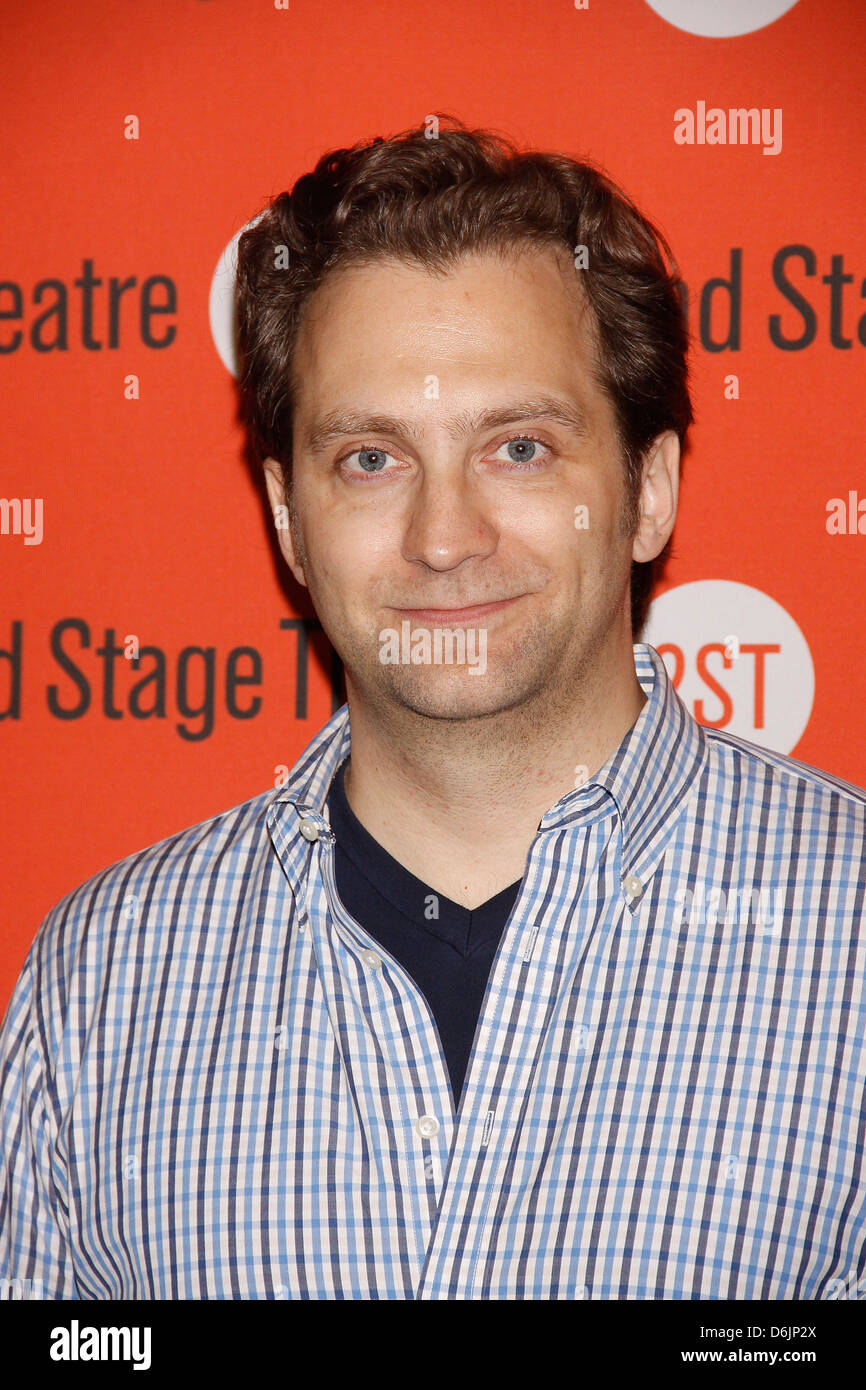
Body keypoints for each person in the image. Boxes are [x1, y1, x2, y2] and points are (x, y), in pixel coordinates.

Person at [1, 119, 864, 1301]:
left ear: (646, 490)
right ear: (288, 518)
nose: (443, 536)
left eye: (517, 447)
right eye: (369, 458)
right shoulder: (100, 986)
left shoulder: (850, 936)